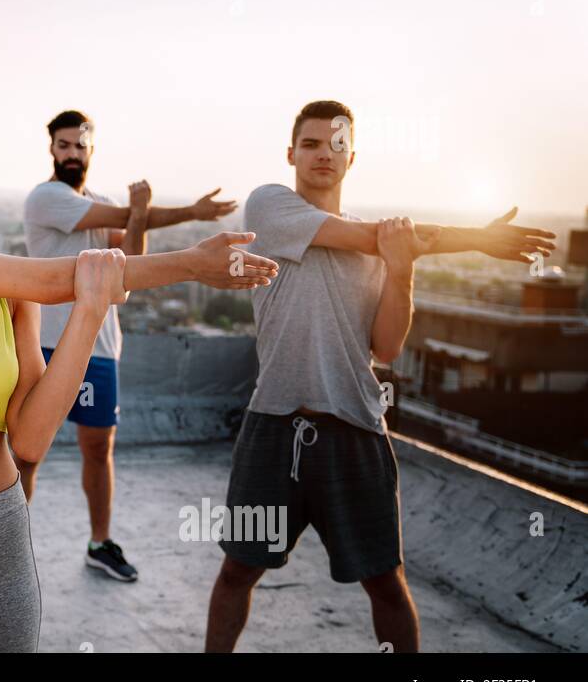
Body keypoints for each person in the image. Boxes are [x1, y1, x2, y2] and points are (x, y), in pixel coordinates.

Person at [0, 81, 278, 652]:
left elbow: (32, 438)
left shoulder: (8, 284)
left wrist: (90, 313)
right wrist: (191, 262)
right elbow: (48, 278)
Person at [204, 100, 556, 653]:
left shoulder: (381, 248)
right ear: (291, 152)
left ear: (352, 158)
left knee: (386, 585)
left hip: (354, 431)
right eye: (313, 143)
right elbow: (368, 238)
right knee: (237, 571)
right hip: (274, 428)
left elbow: (387, 345)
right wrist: (473, 238)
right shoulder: (271, 206)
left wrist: (404, 265)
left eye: (337, 145)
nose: (325, 154)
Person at [21, 109, 238, 581]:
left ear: (91, 150)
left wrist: (146, 215)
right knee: (26, 450)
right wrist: (190, 213)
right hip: (46, 344)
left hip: (98, 348)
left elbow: (131, 264)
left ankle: (100, 543)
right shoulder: (47, 198)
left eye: (80, 145)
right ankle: (8, 542)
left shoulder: (95, 200)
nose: (72, 153)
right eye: (64, 145)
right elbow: (127, 215)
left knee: (98, 449)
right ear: (52, 149)